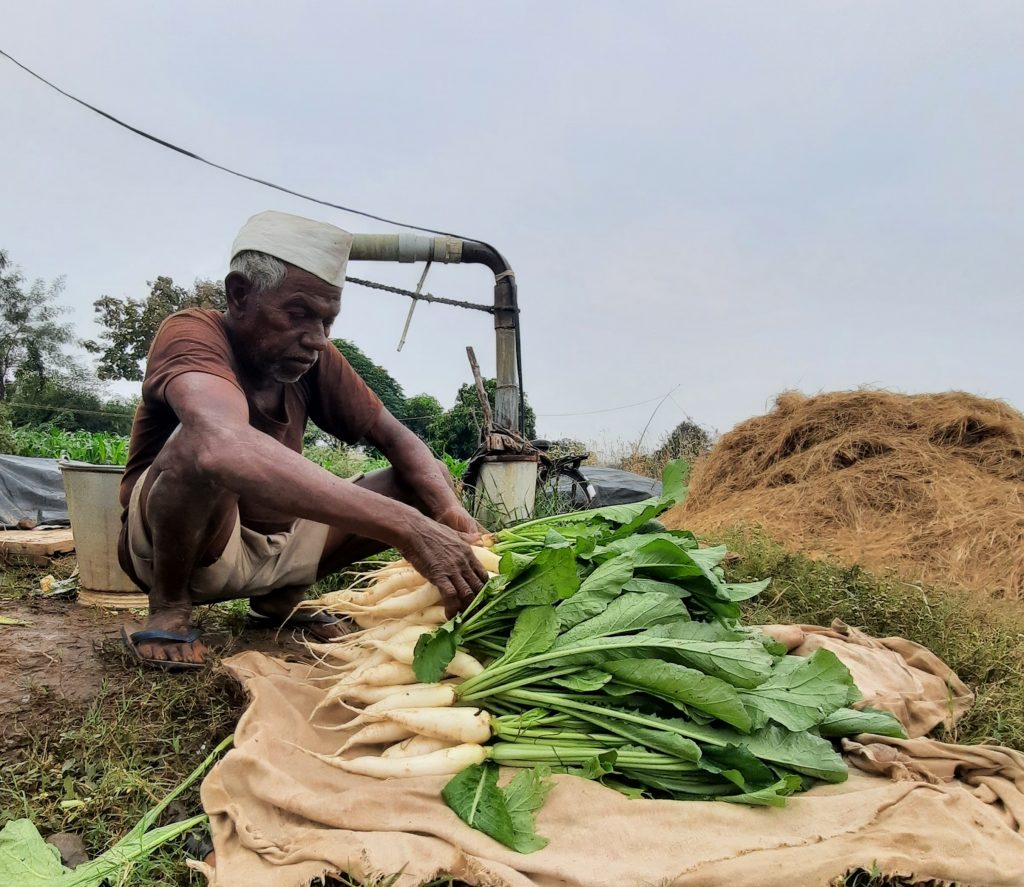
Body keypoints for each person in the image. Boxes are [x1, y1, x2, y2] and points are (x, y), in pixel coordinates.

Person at [117, 210, 488, 670]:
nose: (316, 339)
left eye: (327, 322)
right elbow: (220, 444)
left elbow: (397, 437)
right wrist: (408, 528)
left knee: (415, 483)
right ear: (240, 295)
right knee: (201, 445)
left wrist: (447, 514)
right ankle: (170, 607)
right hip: (187, 552)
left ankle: (278, 599)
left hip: (282, 549)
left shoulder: (314, 356)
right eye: (298, 314)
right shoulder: (192, 333)